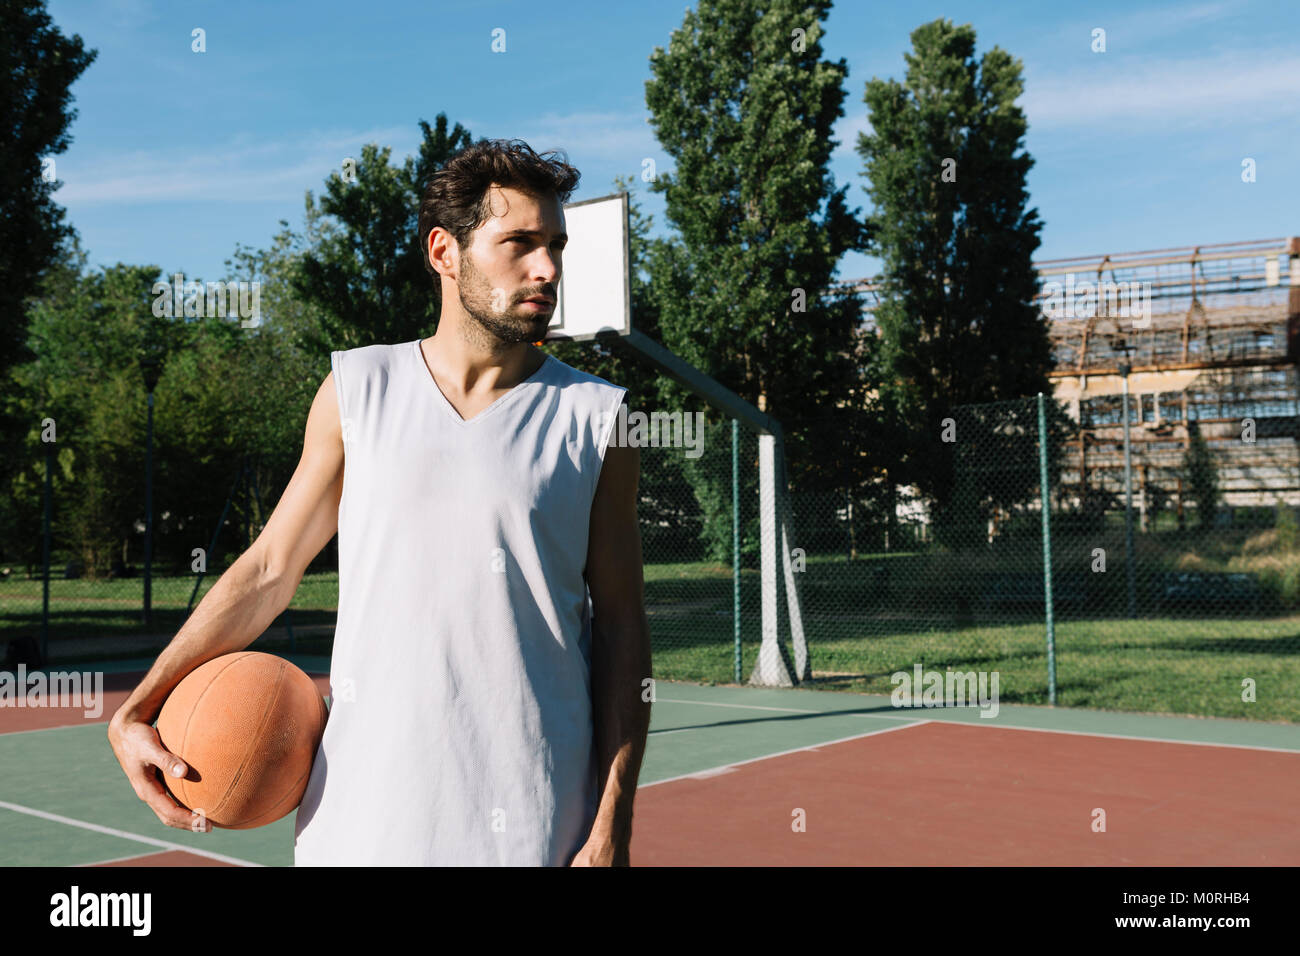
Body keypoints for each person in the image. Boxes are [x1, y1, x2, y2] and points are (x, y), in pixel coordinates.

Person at [107, 138, 653, 866]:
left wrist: (613, 821)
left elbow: (621, 625)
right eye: (519, 243)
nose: (547, 268)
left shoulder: (597, 416)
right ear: (444, 251)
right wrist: (139, 705)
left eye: (555, 245)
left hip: (534, 820)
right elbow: (270, 569)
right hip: (361, 818)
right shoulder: (358, 391)